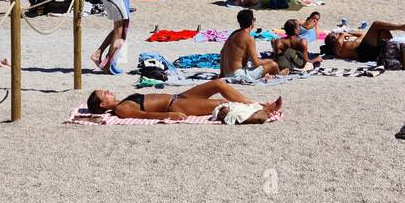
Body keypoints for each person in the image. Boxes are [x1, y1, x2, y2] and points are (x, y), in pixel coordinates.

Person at [85, 81, 282, 123]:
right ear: (103, 105)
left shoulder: (123, 101)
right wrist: (169, 115)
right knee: (221, 103)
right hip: (176, 105)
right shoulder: (121, 108)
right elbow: (145, 115)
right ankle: (259, 112)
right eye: (104, 94)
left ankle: (255, 103)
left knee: (218, 84)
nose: (108, 91)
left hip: (180, 96)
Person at [219, 9, 280, 79]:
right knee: (273, 65)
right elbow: (256, 63)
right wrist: (270, 60)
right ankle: (280, 74)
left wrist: (222, 73)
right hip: (238, 74)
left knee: (267, 65)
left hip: (226, 73)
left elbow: (222, 52)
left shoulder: (234, 33)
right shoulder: (248, 38)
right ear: (251, 22)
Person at [323, 17, 405, 62]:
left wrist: (349, 33)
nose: (335, 33)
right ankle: (403, 27)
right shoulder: (336, 49)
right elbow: (338, 48)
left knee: (382, 31)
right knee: (376, 24)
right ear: (331, 41)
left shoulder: (344, 41)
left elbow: (361, 34)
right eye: (333, 35)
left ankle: (394, 51)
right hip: (362, 53)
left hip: (367, 48)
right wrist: (343, 34)